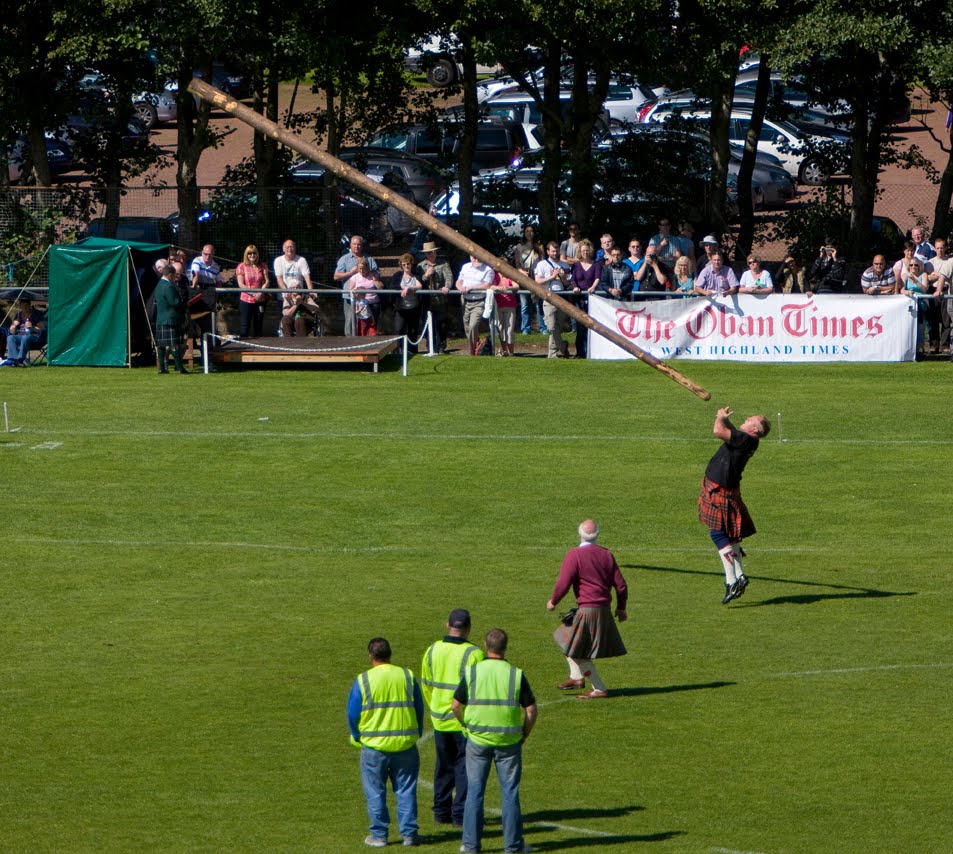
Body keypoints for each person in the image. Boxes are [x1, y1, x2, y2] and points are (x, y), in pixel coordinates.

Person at [452, 628, 537, 854]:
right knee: (509, 792)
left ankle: (470, 845)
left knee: (475, 791)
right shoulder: (515, 674)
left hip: (478, 740)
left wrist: (465, 724)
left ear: (485, 646)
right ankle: (513, 846)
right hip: (509, 742)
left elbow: (455, 705)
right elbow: (530, 710)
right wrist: (524, 734)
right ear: (505, 647)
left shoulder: (473, 672)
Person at [348, 637, 424, 848]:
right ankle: (410, 834)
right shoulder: (407, 676)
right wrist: (415, 732)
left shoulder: (363, 680)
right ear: (390, 654)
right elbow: (419, 707)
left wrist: (356, 736)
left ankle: (379, 835)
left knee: (375, 791)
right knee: (406, 790)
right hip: (405, 745)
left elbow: (353, 714)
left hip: (374, 746)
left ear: (370, 656)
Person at [546, 519, 628, 700]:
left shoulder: (574, 555)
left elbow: (563, 583)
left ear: (579, 534)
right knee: (563, 637)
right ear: (597, 534)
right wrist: (621, 608)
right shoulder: (606, 555)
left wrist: (553, 601)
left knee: (578, 652)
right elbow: (621, 586)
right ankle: (576, 677)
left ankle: (599, 688)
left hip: (588, 610)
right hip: (602, 609)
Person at [420, 609, 485, 829]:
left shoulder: (432, 650)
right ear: (468, 628)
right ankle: (460, 814)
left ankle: (441, 811)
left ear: (447, 625)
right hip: (463, 721)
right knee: (464, 769)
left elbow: (426, 685)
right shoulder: (474, 654)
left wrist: (435, 707)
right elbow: (479, 689)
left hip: (439, 719)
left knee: (443, 767)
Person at [698, 407, 770, 604]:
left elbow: (718, 431)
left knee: (718, 534)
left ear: (754, 430)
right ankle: (740, 576)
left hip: (721, 491)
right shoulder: (745, 439)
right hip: (724, 489)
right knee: (730, 536)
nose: (746, 419)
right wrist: (725, 420)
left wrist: (720, 418)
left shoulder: (745, 440)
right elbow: (730, 431)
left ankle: (731, 581)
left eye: (750, 419)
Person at [334, 236, 379, 336]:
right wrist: (350, 273)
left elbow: (377, 275)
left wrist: (370, 273)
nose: (356, 246)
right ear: (350, 245)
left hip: (369, 299)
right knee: (351, 322)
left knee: (370, 324)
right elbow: (336, 276)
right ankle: (350, 345)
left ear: (362, 246)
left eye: (359, 244)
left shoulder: (369, 259)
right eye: (354, 244)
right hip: (350, 298)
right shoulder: (344, 259)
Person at [274, 240, 318, 338]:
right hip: (285, 295)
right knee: (286, 320)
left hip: (300, 293)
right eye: (287, 247)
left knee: (300, 319)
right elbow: (279, 279)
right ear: (283, 249)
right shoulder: (278, 261)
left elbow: (307, 277)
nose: (290, 248)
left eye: (292, 246)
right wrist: (287, 291)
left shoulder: (301, 260)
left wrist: (310, 291)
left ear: (295, 248)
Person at [534, 241, 570, 358]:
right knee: (551, 326)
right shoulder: (542, 265)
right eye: (553, 251)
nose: (555, 253)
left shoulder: (564, 265)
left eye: (557, 250)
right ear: (548, 252)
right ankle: (563, 346)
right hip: (548, 297)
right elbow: (537, 281)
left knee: (558, 327)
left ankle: (552, 354)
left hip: (561, 297)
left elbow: (567, 284)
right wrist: (552, 277)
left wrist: (563, 277)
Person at [416, 241, 453, 354]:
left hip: (440, 300)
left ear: (435, 252)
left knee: (441, 323)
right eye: (427, 253)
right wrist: (426, 275)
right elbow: (418, 281)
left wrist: (447, 287)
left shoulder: (443, 264)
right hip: (427, 300)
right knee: (428, 324)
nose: (430, 255)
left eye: (432, 252)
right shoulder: (420, 266)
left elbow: (449, 278)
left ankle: (441, 346)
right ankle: (430, 345)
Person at [456, 255, 495, 355]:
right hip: (465, 301)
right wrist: (460, 287)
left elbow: (486, 285)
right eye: (474, 257)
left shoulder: (488, 269)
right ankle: (474, 348)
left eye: (478, 257)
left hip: (479, 301)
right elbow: (459, 281)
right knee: (467, 328)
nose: (476, 259)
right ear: (470, 257)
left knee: (473, 325)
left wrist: (471, 287)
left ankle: (473, 351)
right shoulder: (465, 267)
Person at [569, 239, 601, 359]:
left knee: (590, 325)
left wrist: (593, 287)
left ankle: (590, 351)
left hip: (592, 298)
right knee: (580, 325)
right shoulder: (576, 265)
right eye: (583, 251)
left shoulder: (596, 264)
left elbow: (597, 277)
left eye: (587, 250)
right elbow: (572, 279)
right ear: (580, 252)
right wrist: (575, 287)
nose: (585, 253)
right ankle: (580, 352)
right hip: (579, 298)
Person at [153, 264, 187, 374]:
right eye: (174, 275)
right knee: (174, 344)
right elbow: (174, 302)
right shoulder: (168, 286)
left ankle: (161, 368)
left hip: (161, 318)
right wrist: (183, 303)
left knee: (161, 345)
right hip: (170, 318)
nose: (174, 278)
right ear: (170, 275)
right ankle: (179, 368)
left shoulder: (158, 284)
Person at [511, 225, 544, 335]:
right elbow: (517, 263)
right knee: (525, 304)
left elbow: (542, 262)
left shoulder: (539, 247)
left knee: (539, 304)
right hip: (523, 277)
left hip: (536, 276)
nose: (529, 233)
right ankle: (525, 328)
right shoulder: (519, 247)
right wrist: (521, 271)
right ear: (524, 233)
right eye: (527, 231)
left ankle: (542, 327)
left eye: (531, 230)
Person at [235, 245, 269, 338]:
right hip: (246, 300)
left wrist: (261, 293)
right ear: (246, 254)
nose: (252, 255)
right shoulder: (241, 266)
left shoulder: (263, 266)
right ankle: (243, 349)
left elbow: (266, 281)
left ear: (257, 254)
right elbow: (241, 284)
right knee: (244, 326)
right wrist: (253, 294)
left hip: (260, 300)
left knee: (258, 326)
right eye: (249, 253)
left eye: (254, 253)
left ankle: (258, 350)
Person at [189, 244, 221, 342]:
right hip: (197, 291)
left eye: (209, 255)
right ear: (202, 253)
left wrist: (218, 293)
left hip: (209, 294)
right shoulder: (197, 261)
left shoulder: (215, 266)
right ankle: (193, 341)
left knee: (207, 323)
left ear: (213, 255)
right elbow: (196, 273)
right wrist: (195, 284)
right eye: (205, 254)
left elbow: (219, 280)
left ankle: (208, 346)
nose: (207, 257)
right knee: (194, 320)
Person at [391, 253, 423, 350]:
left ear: (411, 264)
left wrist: (409, 288)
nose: (406, 266)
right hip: (401, 308)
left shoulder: (416, 276)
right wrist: (403, 289)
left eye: (408, 264)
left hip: (413, 308)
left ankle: (413, 351)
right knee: (398, 329)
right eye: (404, 264)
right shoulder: (397, 276)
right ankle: (397, 350)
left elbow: (420, 286)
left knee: (413, 331)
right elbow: (393, 287)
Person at [3, 298, 46, 366]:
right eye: (22, 305)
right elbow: (11, 331)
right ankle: (13, 360)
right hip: (21, 336)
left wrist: (32, 327)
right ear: (20, 307)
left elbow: (42, 328)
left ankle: (20, 359)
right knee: (10, 338)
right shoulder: (18, 315)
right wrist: (14, 325)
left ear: (29, 305)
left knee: (25, 337)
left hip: (35, 338)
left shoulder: (36, 314)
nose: (24, 307)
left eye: (26, 305)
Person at [349, 258, 382, 336]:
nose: (361, 270)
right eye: (359, 268)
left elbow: (380, 287)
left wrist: (375, 280)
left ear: (367, 268)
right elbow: (350, 291)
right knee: (362, 325)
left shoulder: (373, 275)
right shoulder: (354, 277)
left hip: (373, 304)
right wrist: (357, 292)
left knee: (373, 325)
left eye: (363, 268)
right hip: (361, 305)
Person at [492, 272, 519, 356]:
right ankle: (504, 350)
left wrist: (507, 287)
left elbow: (517, 286)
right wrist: (499, 288)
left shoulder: (509, 276)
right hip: (498, 306)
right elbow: (491, 286)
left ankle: (511, 352)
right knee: (500, 328)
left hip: (510, 305)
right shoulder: (495, 276)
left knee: (509, 329)